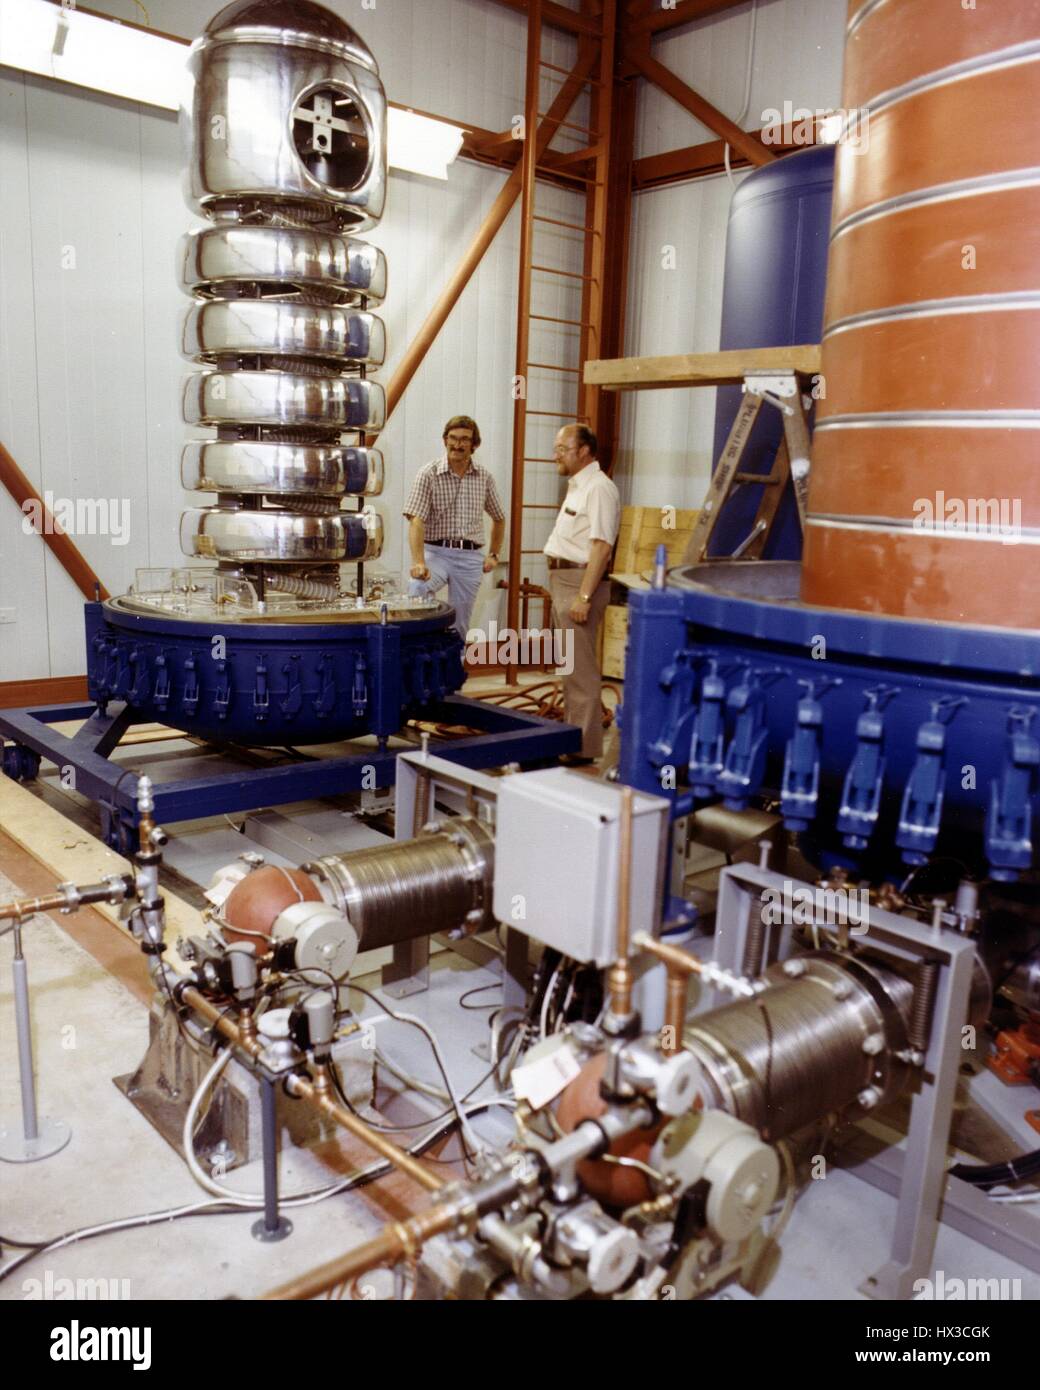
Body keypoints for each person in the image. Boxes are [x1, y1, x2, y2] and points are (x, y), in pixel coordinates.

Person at [543, 423, 621, 764]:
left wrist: (584, 597)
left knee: (581, 671)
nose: (555, 455)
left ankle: (582, 749)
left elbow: (602, 547)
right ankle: (573, 738)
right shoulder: (578, 487)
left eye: (562, 449)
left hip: (579, 584)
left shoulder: (599, 489)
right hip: (565, 582)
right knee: (570, 668)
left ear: (585, 451)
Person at [404, 416, 506, 641]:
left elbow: (499, 518)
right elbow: (416, 520)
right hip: (436, 552)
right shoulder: (428, 473)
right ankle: (420, 648)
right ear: (444, 440)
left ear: (474, 445)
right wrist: (419, 561)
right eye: (453, 438)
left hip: (470, 557)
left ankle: (454, 668)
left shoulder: (484, 477)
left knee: (460, 622)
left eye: (464, 440)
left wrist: (494, 555)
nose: (457, 445)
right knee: (417, 588)